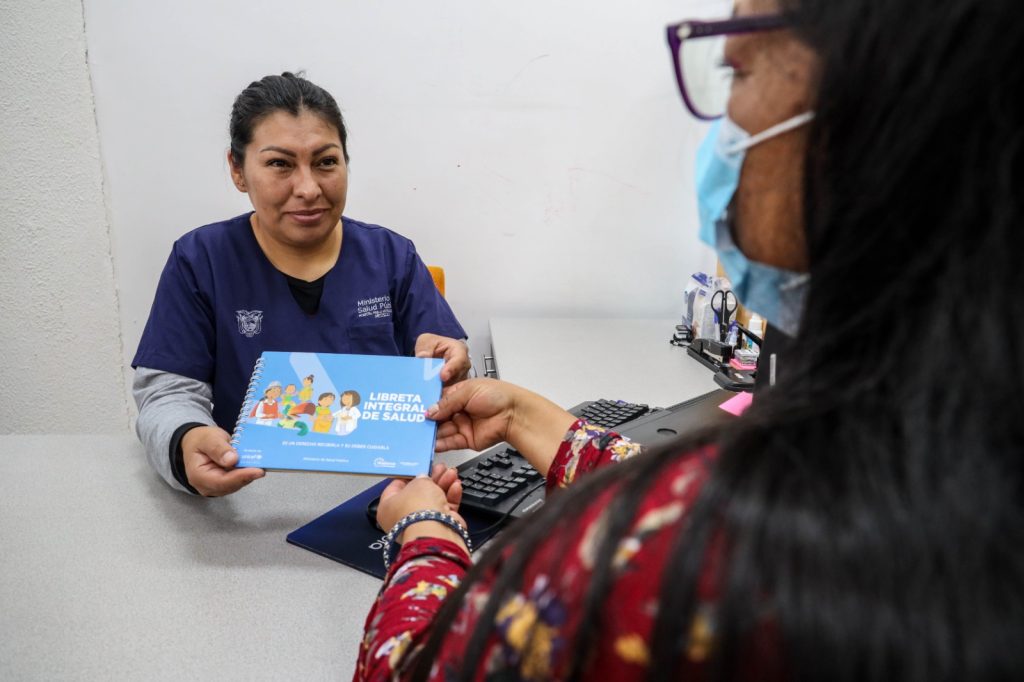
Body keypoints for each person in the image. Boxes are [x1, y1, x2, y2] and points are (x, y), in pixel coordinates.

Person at [355, 0, 1024, 679]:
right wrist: (529, 419)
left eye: (735, 70)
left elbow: (414, 668)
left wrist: (424, 531)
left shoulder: (681, 562)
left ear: (878, 111)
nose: (721, 134)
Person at [132, 73, 471, 498]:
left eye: (326, 162)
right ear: (238, 170)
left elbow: (450, 382)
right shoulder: (201, 261)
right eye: (280, 164)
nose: (308, 188)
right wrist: (186, 441)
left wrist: (452, 368)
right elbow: (167, 393)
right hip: (250, 493)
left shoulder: (391, 256)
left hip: (385, 493)